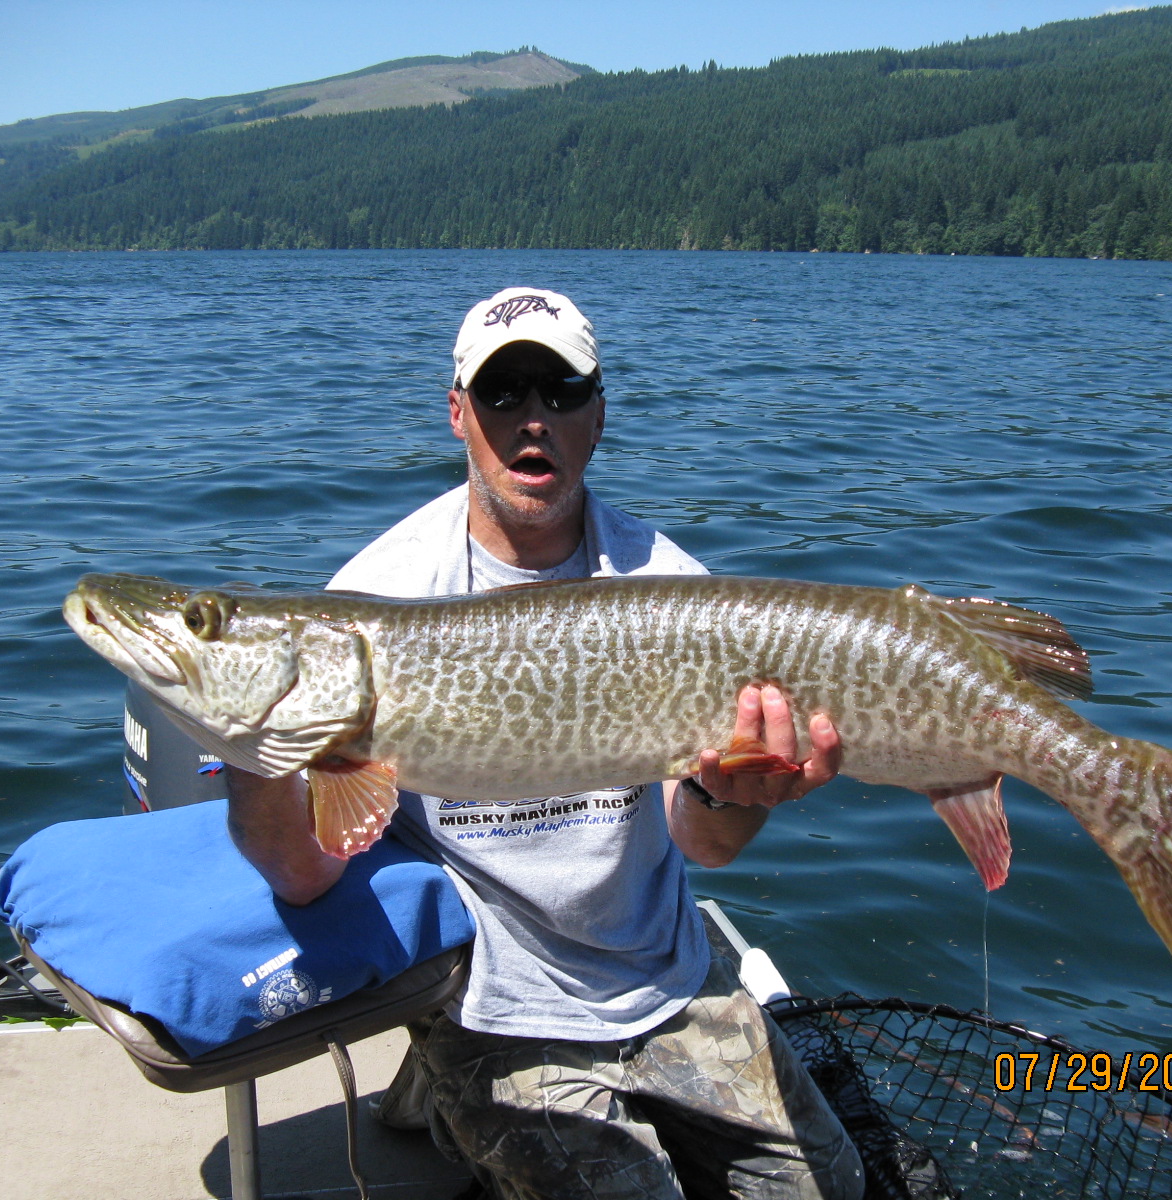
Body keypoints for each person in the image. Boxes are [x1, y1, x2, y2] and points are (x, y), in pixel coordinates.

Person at [225, 287, 864, 1200]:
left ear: (598, 414)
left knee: (830, 1189)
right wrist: (257, 752)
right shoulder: (377, 598)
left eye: (561, 392)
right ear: (458, 411)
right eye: (503, 392)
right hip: (494, 997)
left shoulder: (669, 586)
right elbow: (303, 874)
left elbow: (706, 844)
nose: (534, 420)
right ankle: (445, 1084)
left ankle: (452, 1105)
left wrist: (735, 791)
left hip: (663, 970)